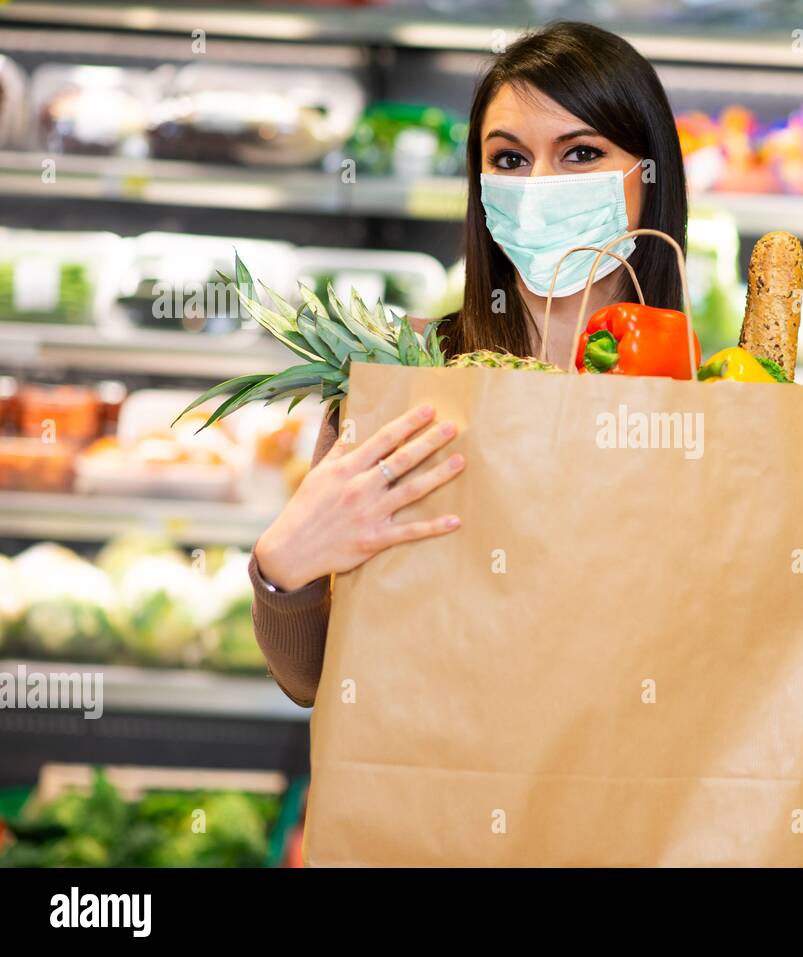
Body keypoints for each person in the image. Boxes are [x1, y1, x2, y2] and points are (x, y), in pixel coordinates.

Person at [248, 21, 689, 705]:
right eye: (510, 160)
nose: (540, 183)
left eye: (579, 154)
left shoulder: (713, 396)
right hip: (448, 787)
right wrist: (286, 569)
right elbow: (313, 680)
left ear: (650, 172)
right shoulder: (410, 377)